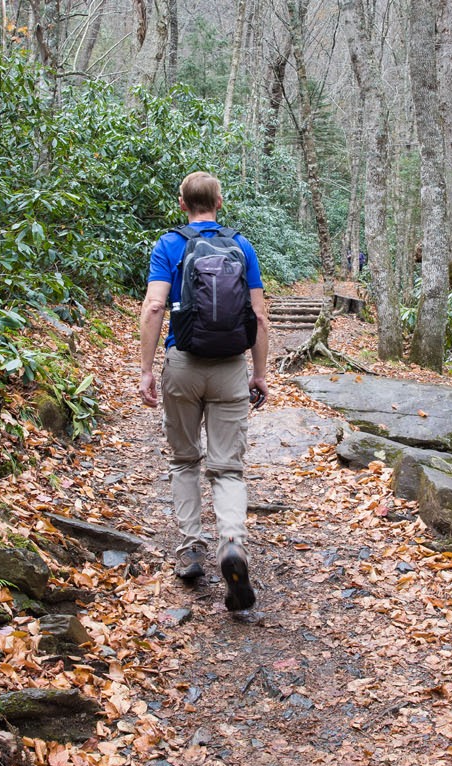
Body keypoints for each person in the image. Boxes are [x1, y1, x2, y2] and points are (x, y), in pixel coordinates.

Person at [138, 171, 269, 612]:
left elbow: (155, 306)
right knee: (228, 467)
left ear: (182, 204)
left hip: (183, 364)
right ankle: (231, 542)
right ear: (219, 202)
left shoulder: (169, 244)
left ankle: (191, 548)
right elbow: (259, 316)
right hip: (230, 367)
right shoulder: (241, 245)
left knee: (184, 459)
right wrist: (259, 373)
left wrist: (146, 369)